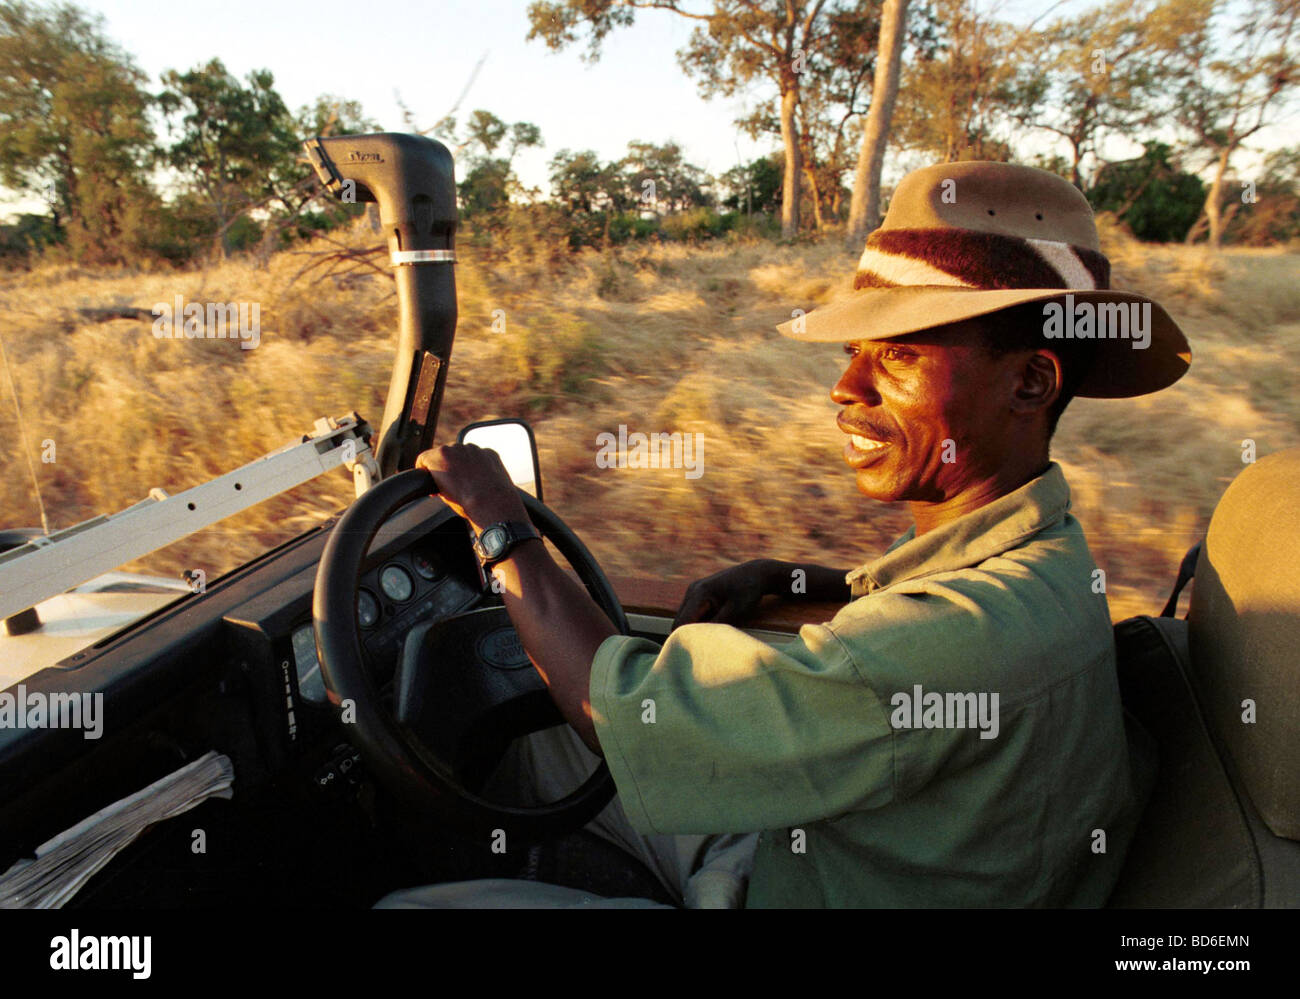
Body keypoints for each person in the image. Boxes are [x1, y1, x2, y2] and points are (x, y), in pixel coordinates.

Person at [375, 161, 1191, 908]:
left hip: (793, 883)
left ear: (1032, 379)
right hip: (838, 842)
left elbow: (617, 709)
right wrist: (802, 578)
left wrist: (501, 524)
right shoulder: (1053, 551)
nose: (845, 387)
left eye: (898, 357)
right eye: (851, 352)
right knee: (538, 746)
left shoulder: (930, 649)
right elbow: (931, 615)